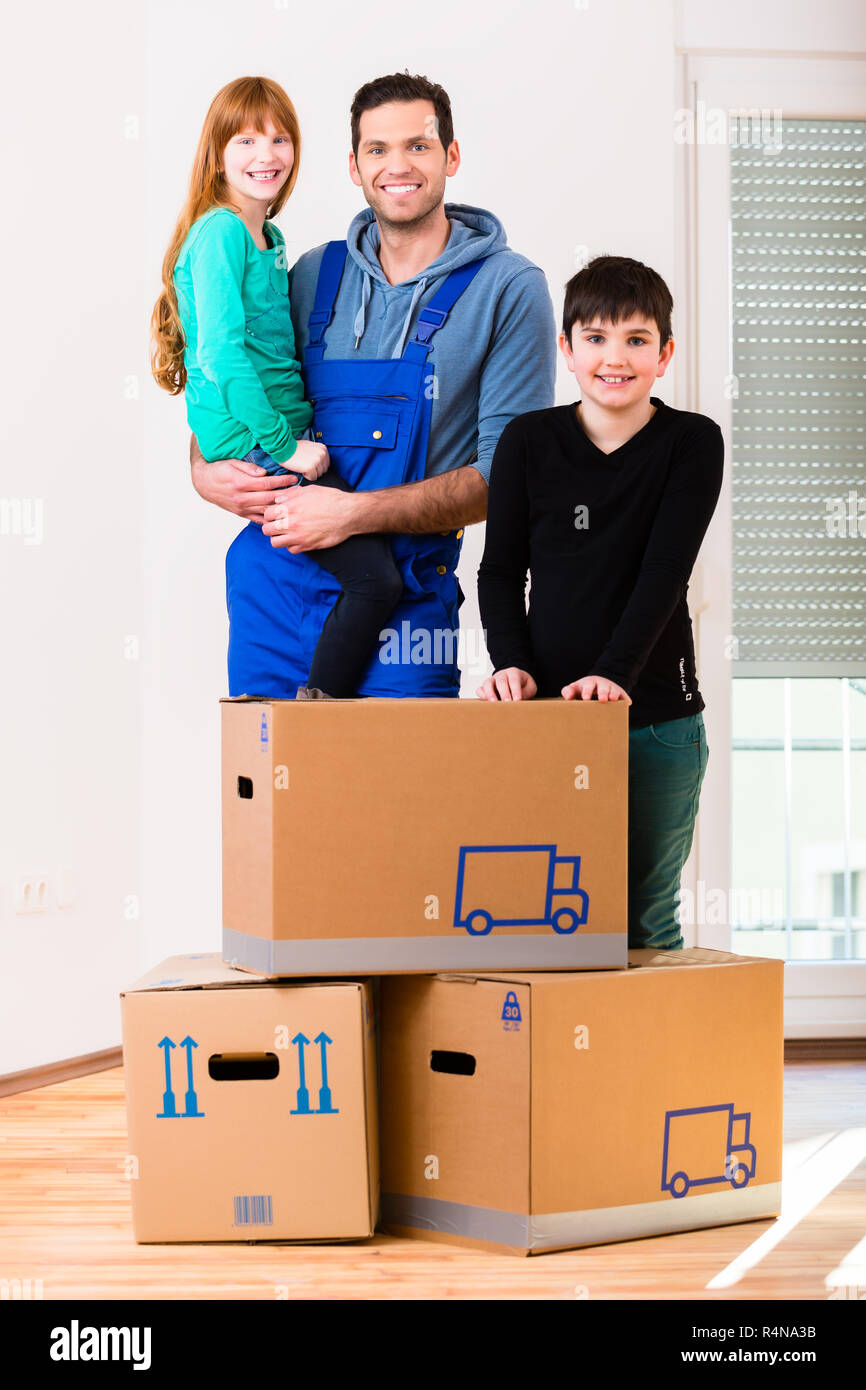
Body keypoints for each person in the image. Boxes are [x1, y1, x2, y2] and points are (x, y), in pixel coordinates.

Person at [189, 70, 557, 699]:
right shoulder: (311, 274)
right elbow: (231, 373)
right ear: (354, 167)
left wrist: (350, 516)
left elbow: (507, 481)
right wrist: (201, 468)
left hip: (405, 603)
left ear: (452, 156)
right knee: (272, 796)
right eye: (378, 150)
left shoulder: (509, 290)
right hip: (272, 594)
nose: (399, 166)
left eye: (418, 145)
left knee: (398, 793)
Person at [475, 255, 724, 950]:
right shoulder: (528, 441)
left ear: (665, 353)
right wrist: (510, 664)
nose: (615, 358)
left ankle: (651, 1062)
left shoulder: (691, 443)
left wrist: (615, 673)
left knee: (646, 919)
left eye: (637, 340)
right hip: (545, 720)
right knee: (550, 918)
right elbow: (499, 573)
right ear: (567, 349)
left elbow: (664, 571)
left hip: (656, 721)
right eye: (596, 338)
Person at [151, 75, 405, 699]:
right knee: (378, 582)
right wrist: (286, 447)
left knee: (366, 565)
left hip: (282, 434)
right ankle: (317, 708)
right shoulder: (220, 233)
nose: (266, 155)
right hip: (264, 444)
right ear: (217, 153)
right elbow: (221, 355)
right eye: (245, 140)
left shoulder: (269, 237)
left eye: (279, 139)